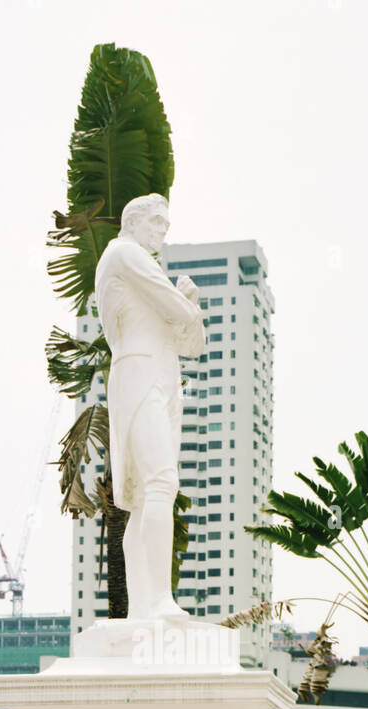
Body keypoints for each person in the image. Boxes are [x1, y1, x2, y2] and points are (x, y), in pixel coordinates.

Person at [94, 192, 206, 620]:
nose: (163, 231)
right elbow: (176, 311)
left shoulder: (145, 269)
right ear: (134, 221)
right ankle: (158, 600)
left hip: (164, 375)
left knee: (148, 494)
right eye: (157, 222)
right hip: (139, 368)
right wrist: (186, 307)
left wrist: (188, 310)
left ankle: (146, 604)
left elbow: (192, 343)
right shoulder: (124, 254)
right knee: (159, 483)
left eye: (166, 225)